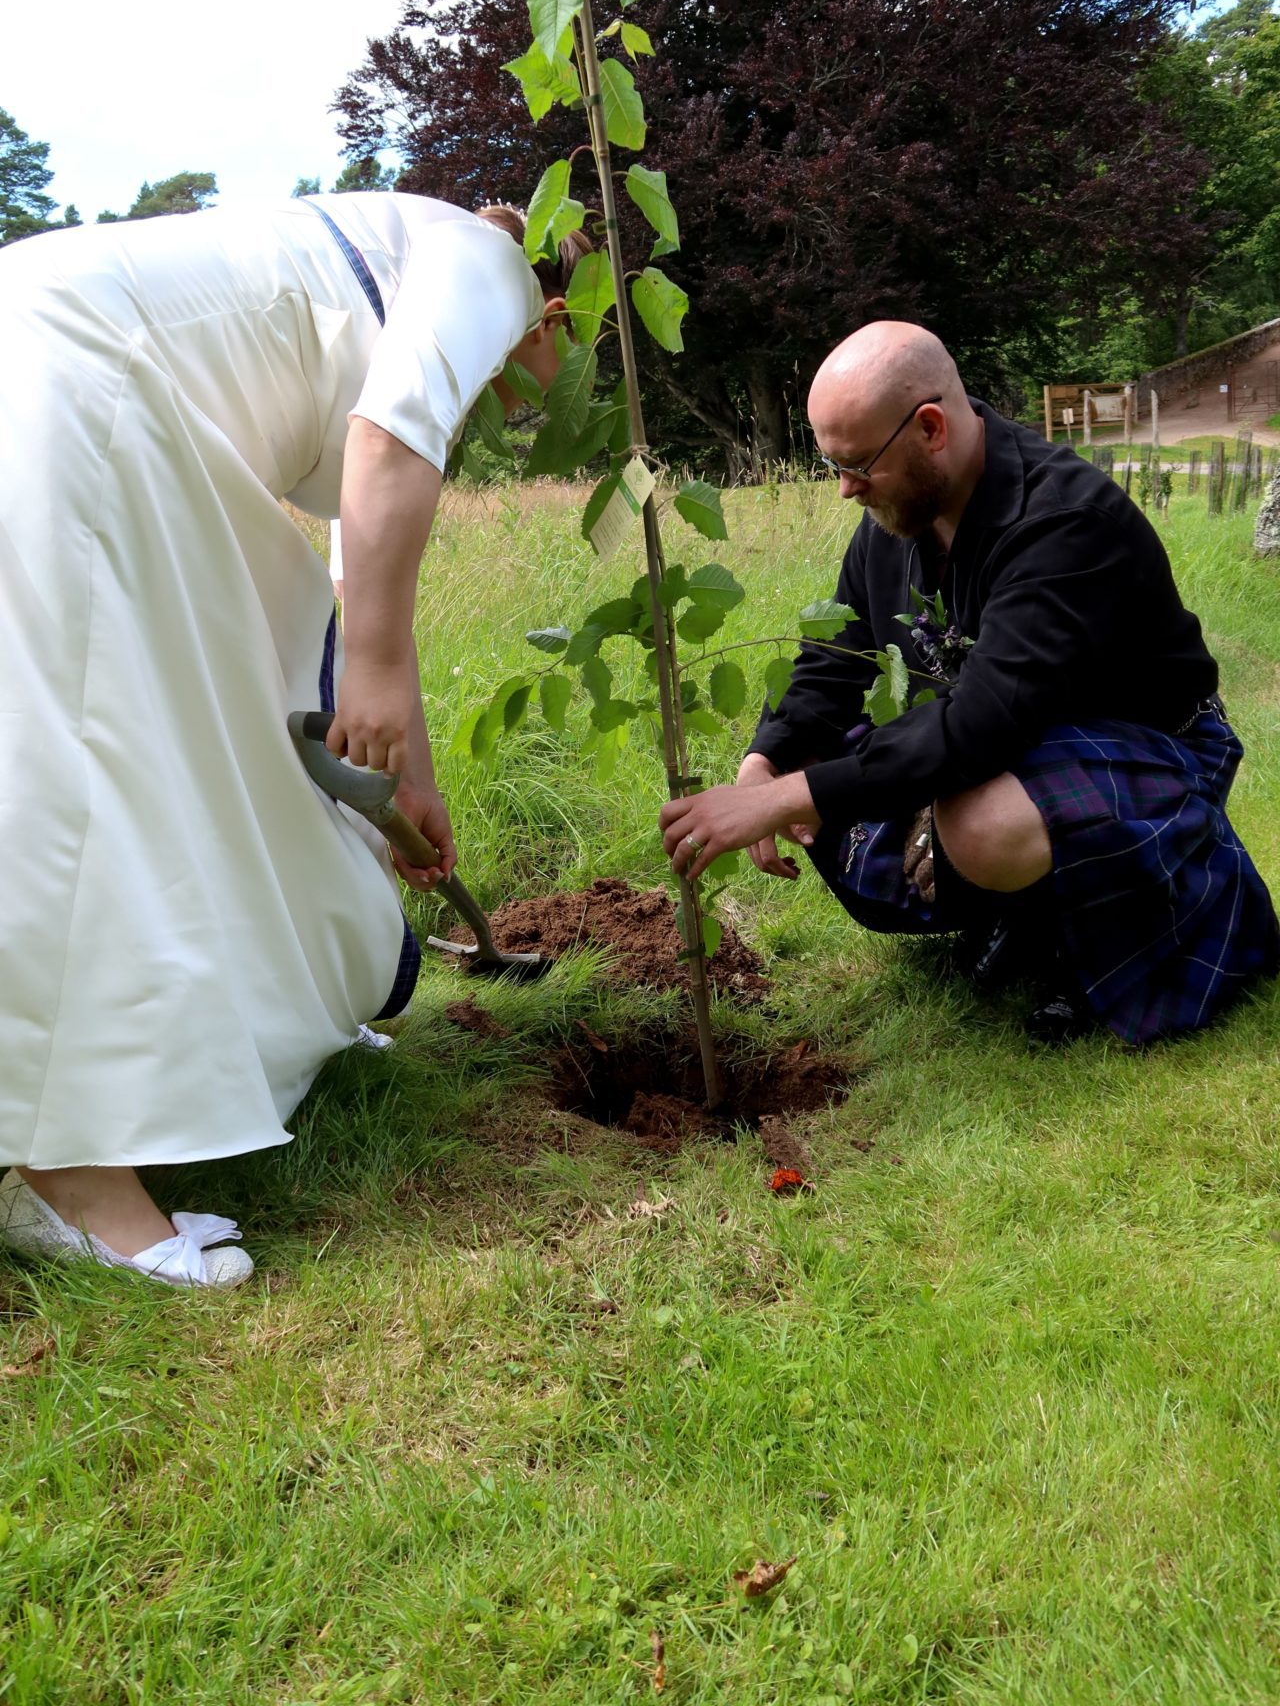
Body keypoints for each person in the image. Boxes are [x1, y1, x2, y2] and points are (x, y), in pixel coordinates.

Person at [0, 191, 585, 1286]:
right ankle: (67, 1181)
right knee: (86, 770)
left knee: (215, 739)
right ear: (557, 313)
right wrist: (372, 667)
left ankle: (281, 1019)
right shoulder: (489, 265)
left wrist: (410, 774)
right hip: (76, 395)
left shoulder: (414, 251)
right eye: (564, 373)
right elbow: (387, 440)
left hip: (85, 385)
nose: (531, 412)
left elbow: (352, 539)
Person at [661, 322, 1280, 1046]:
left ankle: (1155, 913)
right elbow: (837, 658)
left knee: (979, 824)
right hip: (1016, 746)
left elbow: (982, 725)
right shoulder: (899, 517)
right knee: (826, 785)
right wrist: (767, 759)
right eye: (832, 463)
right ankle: (1025, 910)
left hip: (1147, 749)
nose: (843, 490)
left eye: (856, 463)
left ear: (929, 428)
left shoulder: (1063, 520)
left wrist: (782, 800)